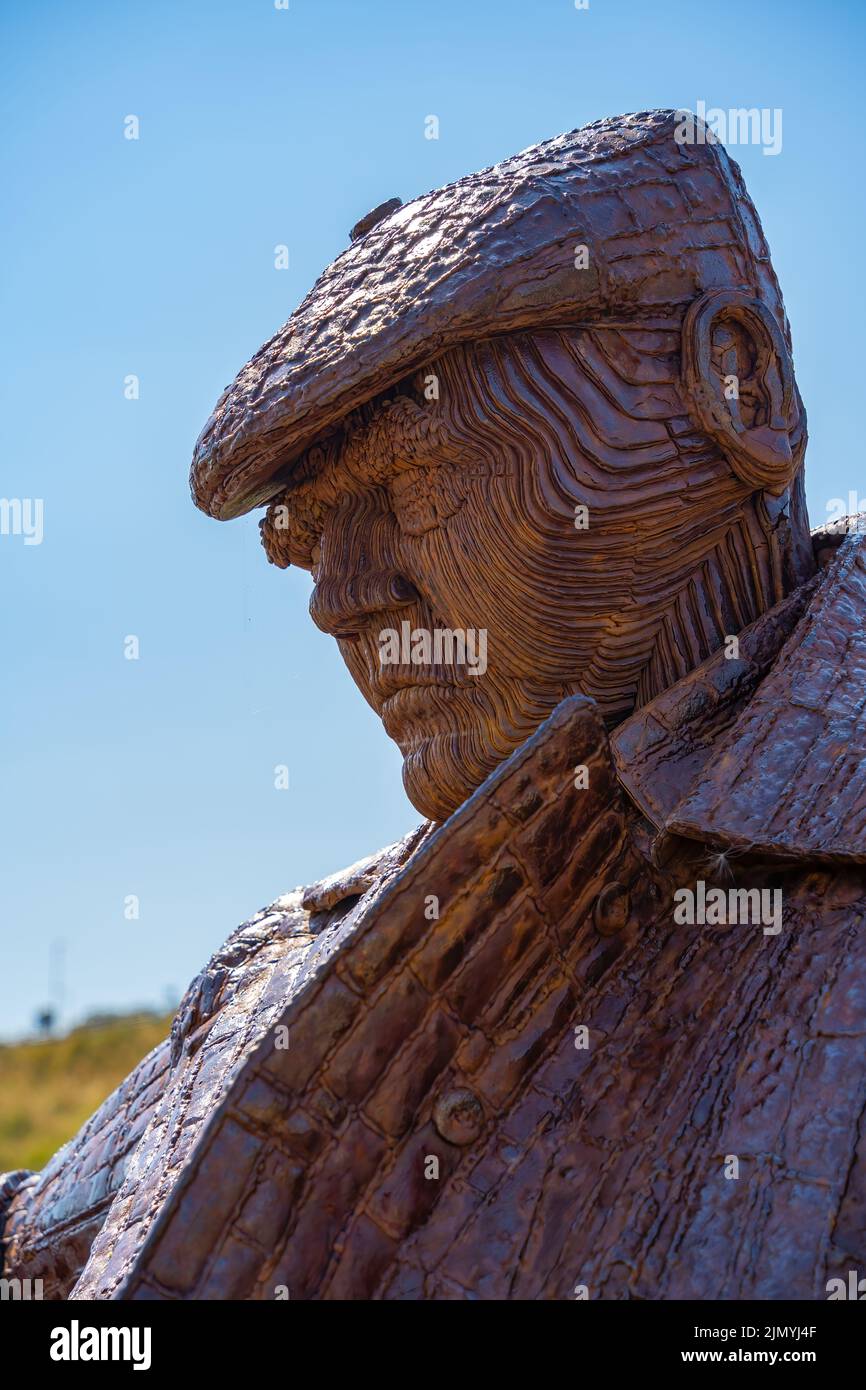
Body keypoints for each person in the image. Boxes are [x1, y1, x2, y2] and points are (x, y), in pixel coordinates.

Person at [3, 109, 864, 1301]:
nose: (339, 601)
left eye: (414, 476)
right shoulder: (275, 973)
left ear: (736, 388)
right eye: (302, 541)